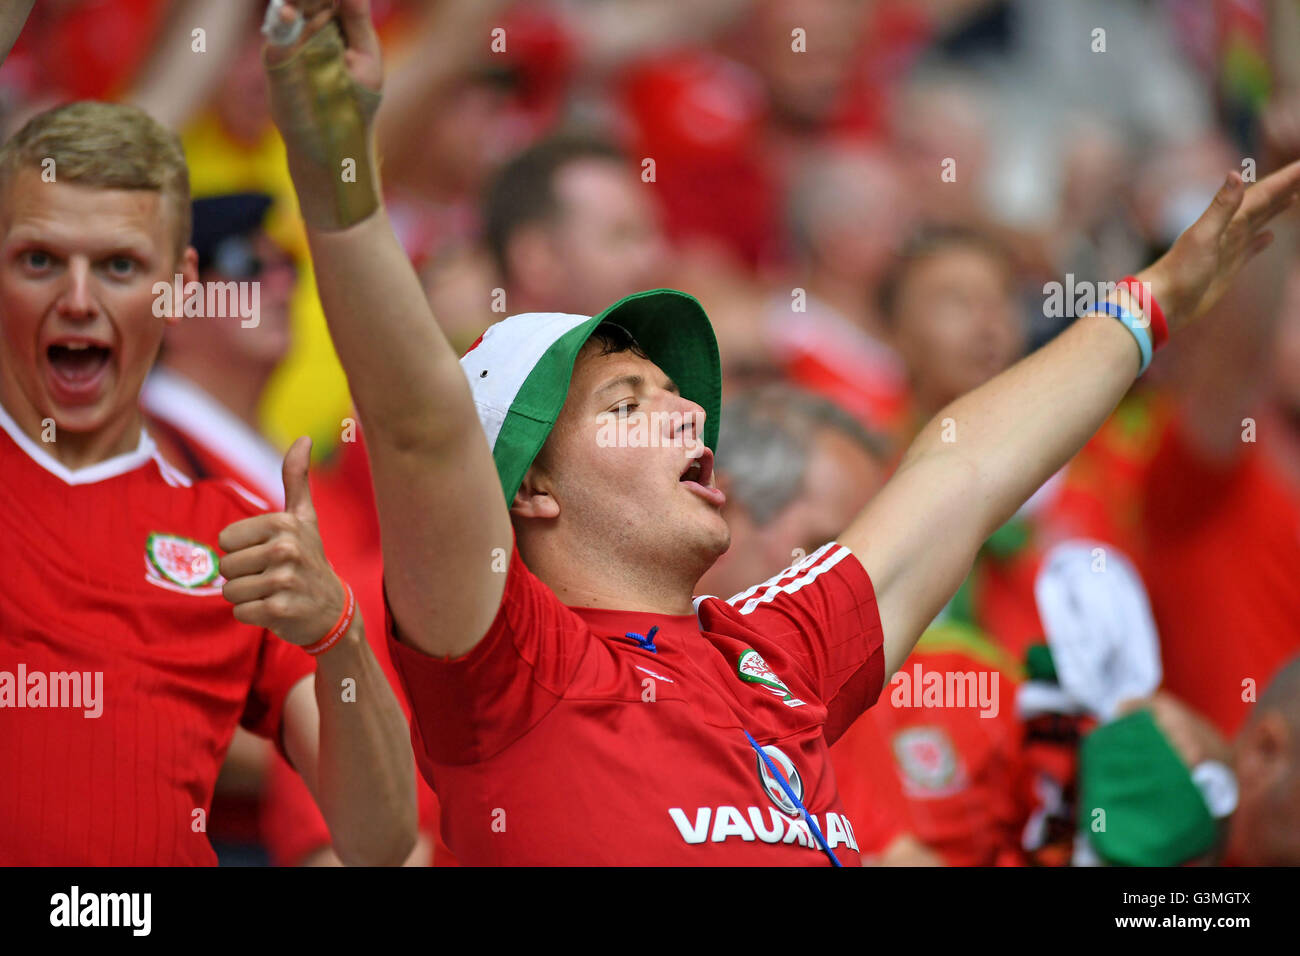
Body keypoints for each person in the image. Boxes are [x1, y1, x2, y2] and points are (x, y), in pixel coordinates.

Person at [261, 0, 1300, 865]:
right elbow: (416, 427)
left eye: (675, 392)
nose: (684, 409)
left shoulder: (772, 651)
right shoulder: (503, 661)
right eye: (626, 403)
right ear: (527, 492)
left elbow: (964, 468)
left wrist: (1156, 296)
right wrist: (337, 175)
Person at [0, 100, 415, 865]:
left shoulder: (231, 529)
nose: (79, 299)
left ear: (180, 287)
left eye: (120, 266)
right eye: (40, 261)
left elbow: (379, 841)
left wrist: (341, 637)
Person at [143, 192, 295, 506]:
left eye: (287, 265)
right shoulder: (145, 453)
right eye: (246, 266)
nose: (283, 286)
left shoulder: (278, 450)